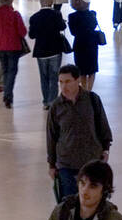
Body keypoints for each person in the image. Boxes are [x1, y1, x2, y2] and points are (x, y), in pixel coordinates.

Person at [46, 65, 112, 198]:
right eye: (61, 82)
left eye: (68, 81)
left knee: (94, 202)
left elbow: (103, 125)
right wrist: (52, 165)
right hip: (66, 164)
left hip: (91, 161)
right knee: (69, 205)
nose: (64, 86)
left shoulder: (92, 100)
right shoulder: (56, 107)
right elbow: (51, 137)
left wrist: (105, 149)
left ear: (77, 81)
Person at [29, 0, 69, 110]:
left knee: (44, 77)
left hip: (41, 52)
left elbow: (31, 35)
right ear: (51, 3)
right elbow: (62, 27)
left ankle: (46, 101)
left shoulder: (34, 17)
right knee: (54, 77)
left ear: (40, 3)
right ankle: (53, 101)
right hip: (55, 50)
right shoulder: (56, 15)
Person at [68, 0, 103, 90]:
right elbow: (94, 25)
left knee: (81, 70)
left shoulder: (72, 16)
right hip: (91, 43)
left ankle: (83, 89)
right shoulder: (91, 14)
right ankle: (89, 90)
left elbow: (73, 32)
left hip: (79, 44)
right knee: (92, 69)